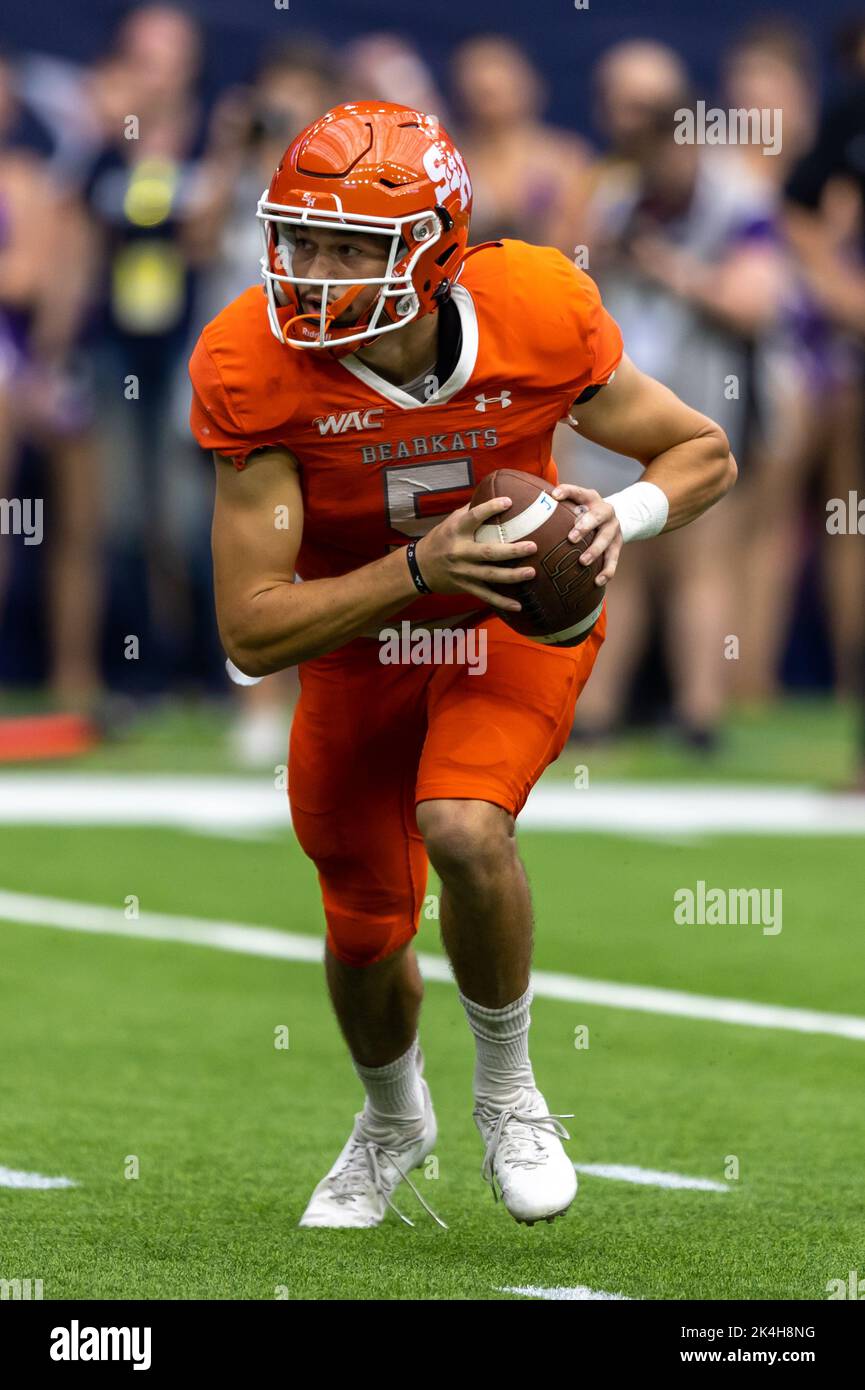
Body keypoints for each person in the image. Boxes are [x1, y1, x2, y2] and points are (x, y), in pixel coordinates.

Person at [188, 101, 736, 1229]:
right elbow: (250, 628)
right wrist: (416, 571)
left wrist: (615, 519)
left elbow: (701, 450)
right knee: (362, 920)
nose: (316, 270)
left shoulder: (534, 307)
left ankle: (510, 1090)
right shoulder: (252, 359)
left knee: (462, 823)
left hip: (506, 624)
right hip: (356, 639)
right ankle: (391, 1120)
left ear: (433, 248)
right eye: (303, 238)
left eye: (353, 246)